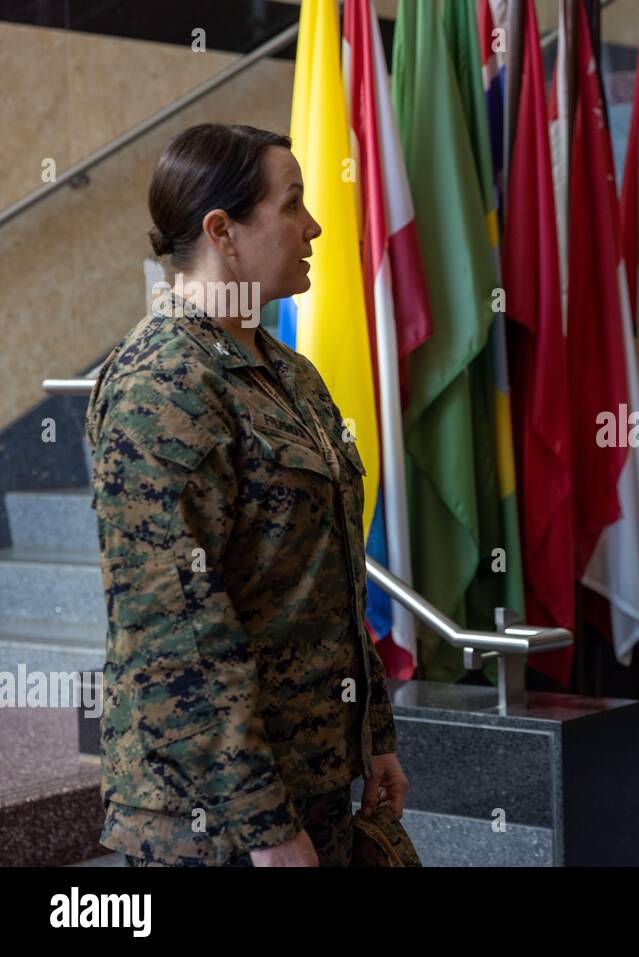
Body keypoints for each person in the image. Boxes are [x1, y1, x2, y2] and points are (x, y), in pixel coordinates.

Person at [86, 123, 408, 866]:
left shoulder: (288, 373)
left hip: (312, 781)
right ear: (222, 231)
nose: (315, 225)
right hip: (213, 821)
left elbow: (326, 577)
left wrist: (374, 738)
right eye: (292, 204)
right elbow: (174, 633)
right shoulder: (163, 383)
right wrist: (266, 825)